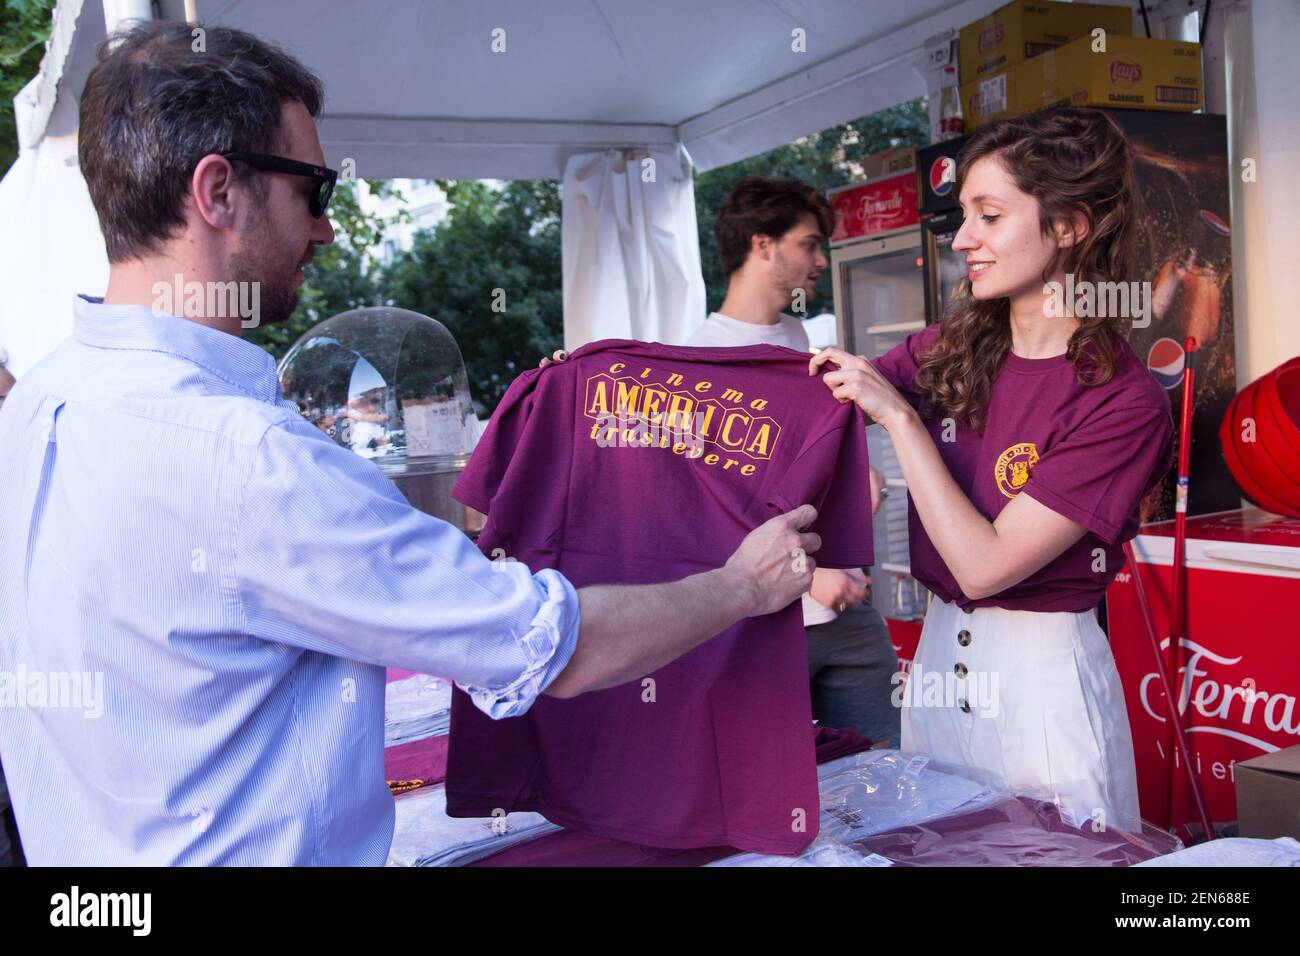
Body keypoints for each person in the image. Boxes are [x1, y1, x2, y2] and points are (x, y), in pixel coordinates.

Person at [0, 21, 823, 866]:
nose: (325, 231)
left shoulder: (34, 409)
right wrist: (739, 584)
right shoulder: (252, 463)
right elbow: (544, 645)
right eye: (313, 190)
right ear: (218, 193)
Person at [812, 107, 1174, 829]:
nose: (964, 237)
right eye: (964, 214)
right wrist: (626, 379)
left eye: (989, 215)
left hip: (1041, 688)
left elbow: (986, 566)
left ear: (1069, 226)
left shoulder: (1123, 401)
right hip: (941, 669)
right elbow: (816, 392)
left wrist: (902, 421)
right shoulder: (958, 345)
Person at [684, 176, 900, 745]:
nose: (822, 261)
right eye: (808, 244)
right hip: (765, 624)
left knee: (885, 774)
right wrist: (816, 579)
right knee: (775, 786)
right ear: (762, 245)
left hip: (845, 613)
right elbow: (713, 516)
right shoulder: (700, 361)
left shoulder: (798, 336)